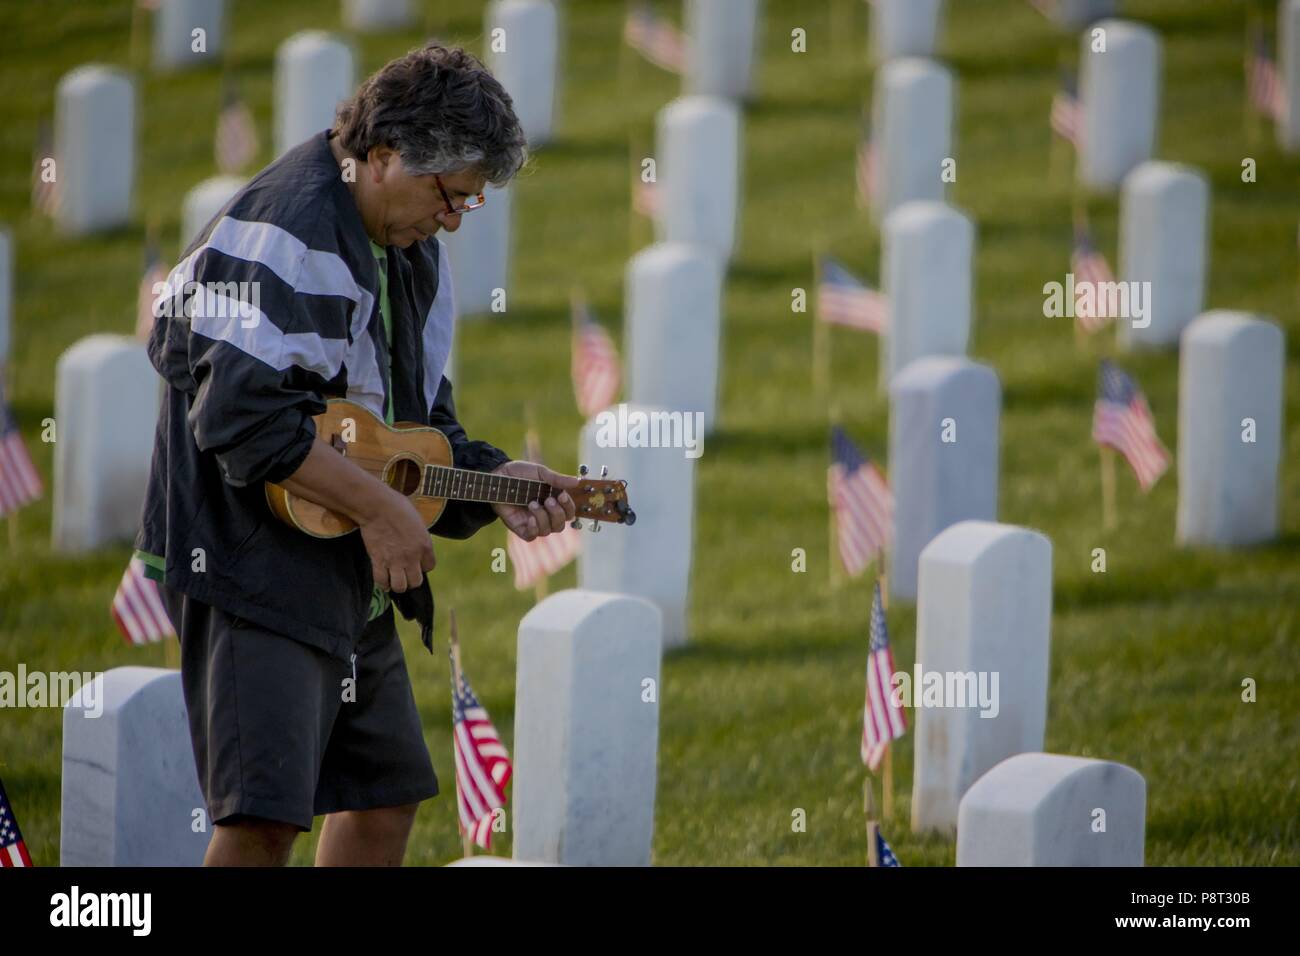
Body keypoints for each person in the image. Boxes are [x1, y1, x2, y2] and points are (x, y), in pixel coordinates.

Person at [135, 43, 578, 866]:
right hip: (253, 563)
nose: (452, 220)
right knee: (261, 819)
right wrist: (380, 513)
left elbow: (414, 427)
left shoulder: (414, 256)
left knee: (383, 798)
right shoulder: (288, 232)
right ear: (382, 157)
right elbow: (239, 419)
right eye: (449, 195)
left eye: (468, 205)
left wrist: (493, 483)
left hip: (351, 564)